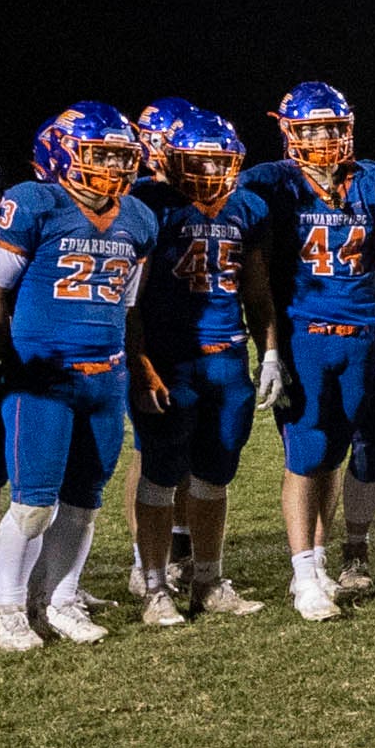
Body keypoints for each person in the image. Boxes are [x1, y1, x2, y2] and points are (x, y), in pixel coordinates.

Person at [0, 104, 157, 650]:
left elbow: (127, 306)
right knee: (33, 502)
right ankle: (7, 608)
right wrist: (11, 363)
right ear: (62, 152)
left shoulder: (139, 217)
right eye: (100, 153)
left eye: (121, 156)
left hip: (105, 376)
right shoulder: (34, 203)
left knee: (85, 500)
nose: (112, 166)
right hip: (44, 377)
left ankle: (61, 598)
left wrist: (138, 363)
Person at [246, 82, 375, 618]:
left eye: (332, 127)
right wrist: (270, 350)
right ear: (289, 130)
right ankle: (304, 577)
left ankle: (317, 560)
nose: (323, 137)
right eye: (312, 127)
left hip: (362, 334)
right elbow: (259, 276)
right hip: (304, 334)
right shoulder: (271, 185)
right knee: (305, 454)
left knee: (334, 453)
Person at [127, 109, 268, 620]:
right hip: (172, 357)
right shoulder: (148, 205)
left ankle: (207, 579)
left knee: (215, 473)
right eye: (197, 162)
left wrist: (269, 350)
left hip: (228, 359)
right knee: (161, 471)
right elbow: (131, 299)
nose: (208, 173)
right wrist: (141, 362)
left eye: (218, 162)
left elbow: (255, 289)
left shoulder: (247, 207)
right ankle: (154, 585)